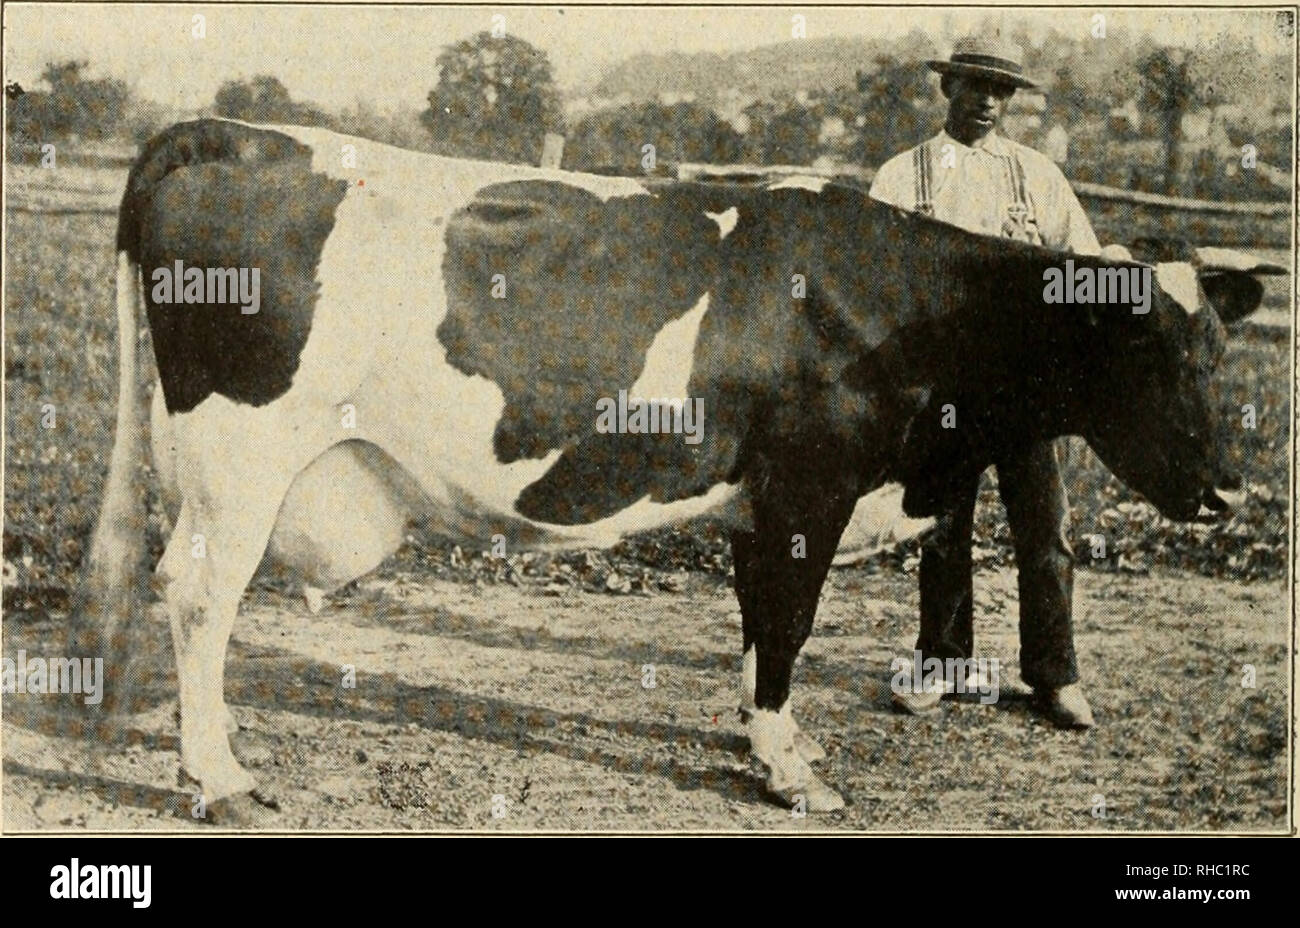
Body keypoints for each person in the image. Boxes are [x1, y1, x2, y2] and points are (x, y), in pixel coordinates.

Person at [867, 34, 1100, 728]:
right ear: (948, 90)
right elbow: (871, 283)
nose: (988, 102)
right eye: (975, 86)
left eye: (1002, 91)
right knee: (943, 527)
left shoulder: (1037, 176)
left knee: (1046, 529)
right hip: (942, 389)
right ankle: (941, 662)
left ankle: (1053, 676)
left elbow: (1082, 266)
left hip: (1024, 389)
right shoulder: (903, 177)